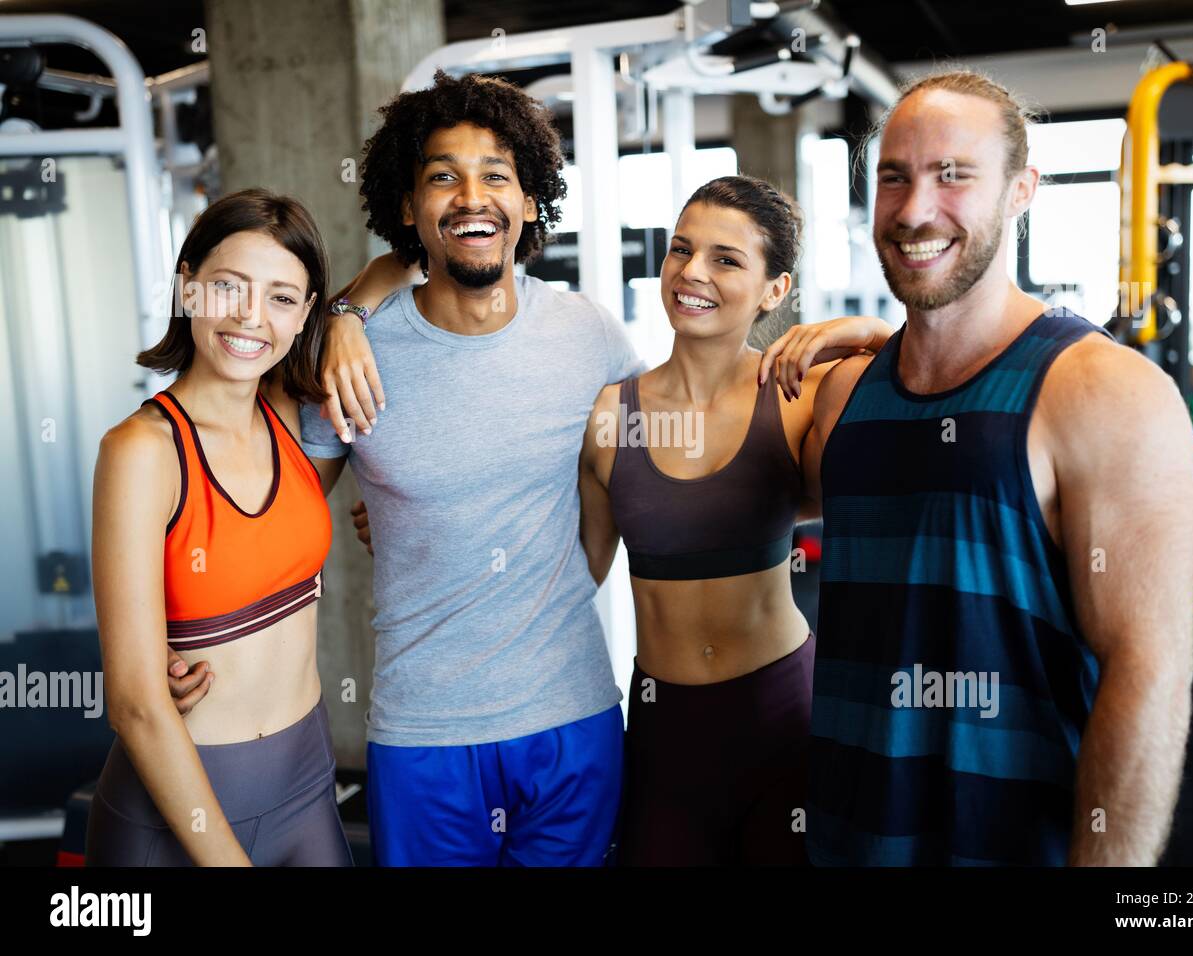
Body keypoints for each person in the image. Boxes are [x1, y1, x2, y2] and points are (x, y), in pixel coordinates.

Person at [347, 176, 893, 865]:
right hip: (664, 725)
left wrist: (870, 330)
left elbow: (926, 393)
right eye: (681, 250)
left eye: (726, 260)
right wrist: (422, 519)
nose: (692, 272)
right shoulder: (609, 415)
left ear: (774, 290)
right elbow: (570, 564)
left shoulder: (801, 393)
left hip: (782, 711)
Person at [759, 70, 1193, 866]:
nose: (915, 208)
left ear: (1021, 190)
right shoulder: (847, 396)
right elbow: (723, 504)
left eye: (953, 174)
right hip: (845, 837)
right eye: (894, 177)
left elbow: (1151, 672)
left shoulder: (1104, 390)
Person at [295, 71, 644, 866]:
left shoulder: (589, 334)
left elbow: (635, 481)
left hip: (573, 720)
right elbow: (284, 524)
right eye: (442, 176)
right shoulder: (355, 356)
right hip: (425, 736)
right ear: (410, 210)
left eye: (496, 175)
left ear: (528, 202)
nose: (471, 195)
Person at [86, 189, 352, 866]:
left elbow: (402, 271)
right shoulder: (142, 451)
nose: (250, 317)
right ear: (187, 289)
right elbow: (136, 704)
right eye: (228, 287)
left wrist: (349, 315)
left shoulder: (293, 413)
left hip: (306, 787)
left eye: (281, 297)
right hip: (174, 817)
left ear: (305, 315)